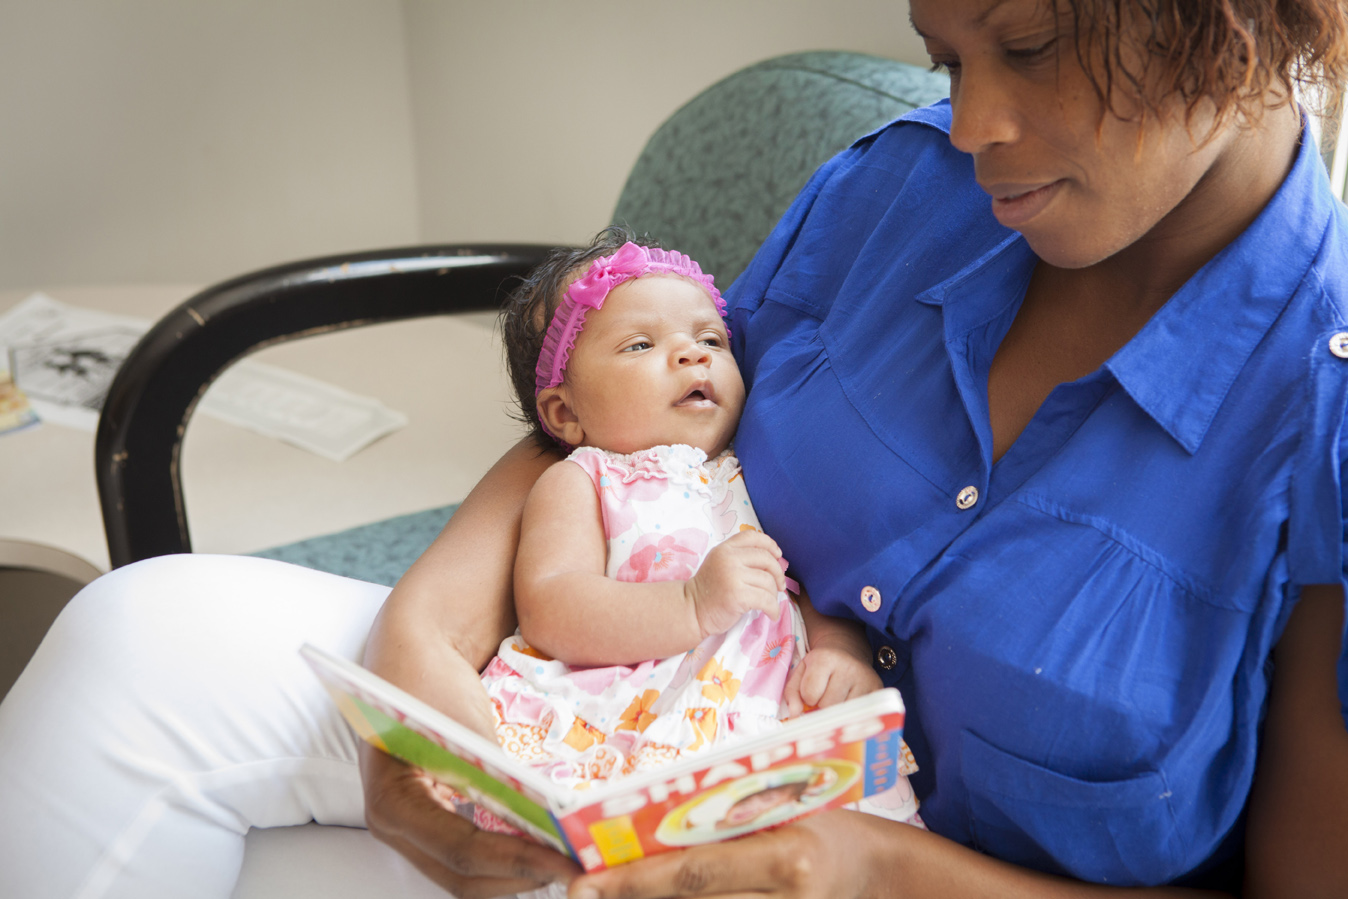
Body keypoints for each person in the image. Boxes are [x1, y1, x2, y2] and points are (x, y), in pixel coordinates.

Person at [2, 1, 1347, 897]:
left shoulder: (1322, 407)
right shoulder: (899, 190)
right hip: (627, 753)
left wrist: (854, 865)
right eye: (946, 55)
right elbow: (636, 421)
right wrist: (424, 639)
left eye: (1036, 41)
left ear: (1237, 20)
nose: (976, 121)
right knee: (139, 645)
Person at [464, 231, 920, 837]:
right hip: (634, 717)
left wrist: (841, 651)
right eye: (640, 344)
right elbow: (553, 607)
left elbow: (810, 586)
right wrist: (691, 603)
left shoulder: (759, 467)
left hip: (764, 719)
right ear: (565, 414)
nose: (692, 355)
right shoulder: (584, 482)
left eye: (710, 339)